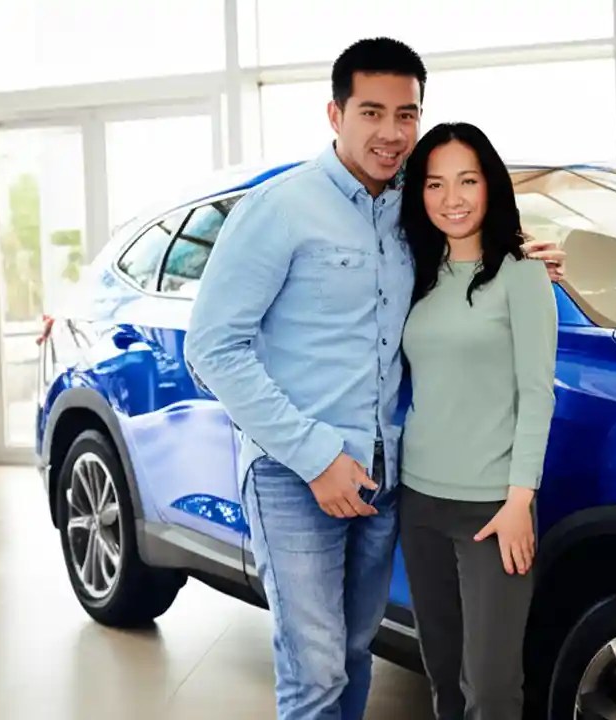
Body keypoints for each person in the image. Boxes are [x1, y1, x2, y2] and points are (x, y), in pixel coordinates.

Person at [183, 38, 564, 720]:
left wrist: (527, 258)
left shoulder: (409, 210)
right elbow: (211, 348)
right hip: (294, 475)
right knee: (316, 669)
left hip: (386, 474)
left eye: (406, 114)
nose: (391, 132)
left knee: (356, 651)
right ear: (335, 114)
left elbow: (468, 236)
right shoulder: (280, 207)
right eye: (372, 112)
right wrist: (315, 456)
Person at [396, 121, 558, 720]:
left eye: (467, 180)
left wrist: (520, 501)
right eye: (435, 184)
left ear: (490, 185)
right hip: (419, 501)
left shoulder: (523, 271)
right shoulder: (414, 272)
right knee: (442, 678)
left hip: (494, 507)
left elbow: (537, 393)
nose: (452, 198)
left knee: (490, 691)